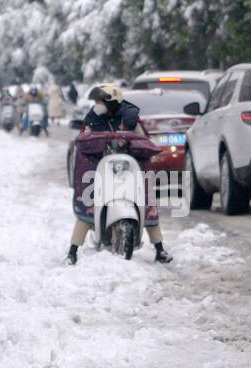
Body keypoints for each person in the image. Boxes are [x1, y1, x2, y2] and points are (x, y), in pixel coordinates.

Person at [65, 83, 173, 266]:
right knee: (87, 204)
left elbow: (143, 139)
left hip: (129, 169)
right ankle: (72, 252)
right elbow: (85, 139)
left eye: (100, 100)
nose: (96, 104)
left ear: (112, 101)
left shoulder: (130, 117)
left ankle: (160, 249)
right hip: (100, 169)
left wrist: (134, 144)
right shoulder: (92, 117)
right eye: (96, 101)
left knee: (147, 204)